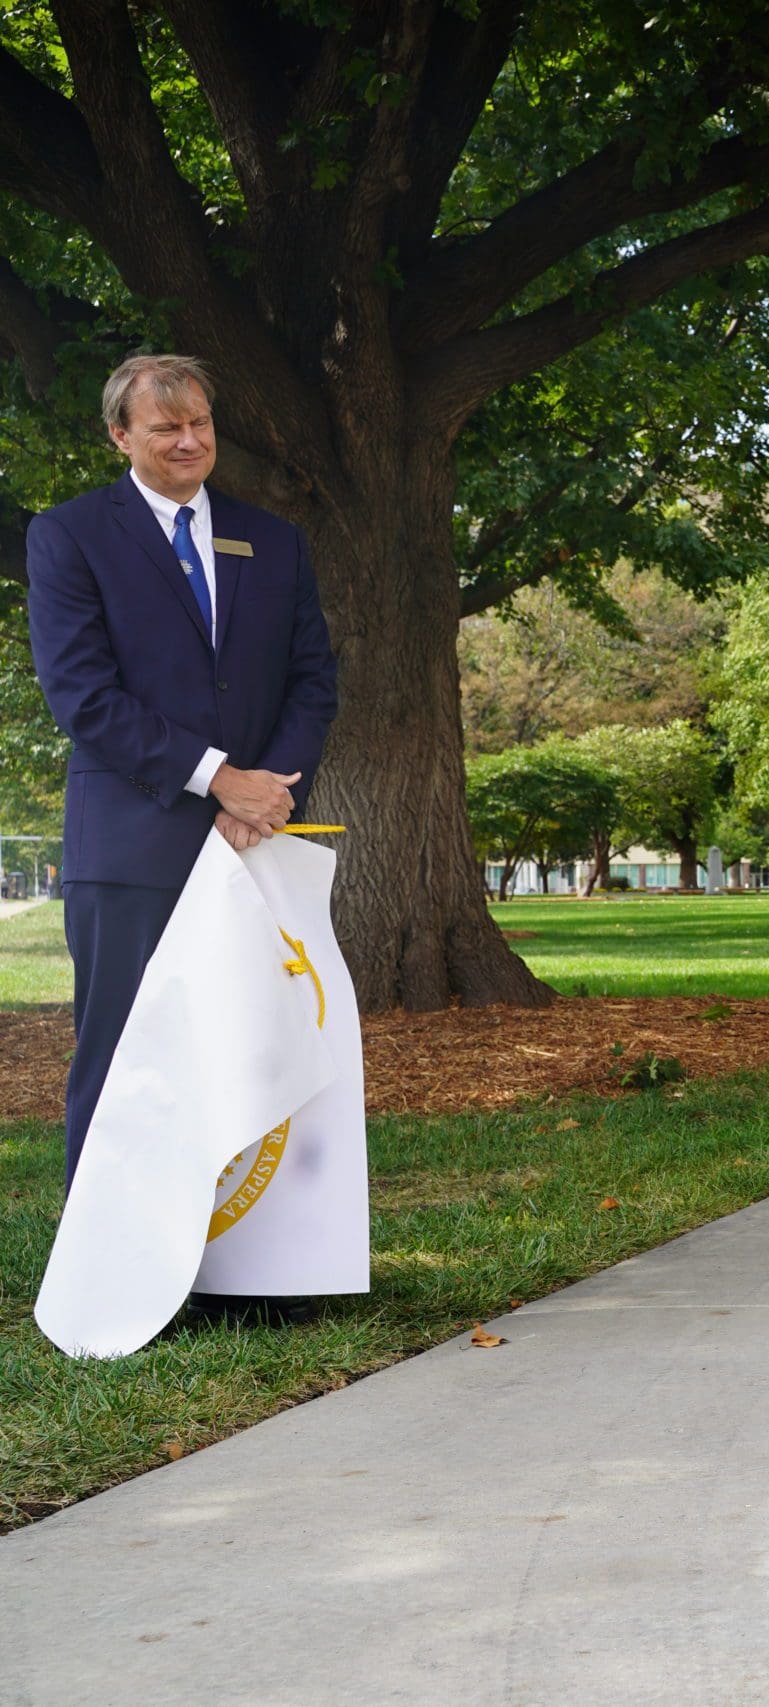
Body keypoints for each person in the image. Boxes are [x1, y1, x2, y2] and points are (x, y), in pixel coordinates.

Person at [25, 353, 339, 1301]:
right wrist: (220, 782)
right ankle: (113, 1282)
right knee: (124, 1056)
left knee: (255, 1046)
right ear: (120, 435)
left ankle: (249, 1275)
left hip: (258, 848)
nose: (190, 440)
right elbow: (84, 698)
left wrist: (269, 792)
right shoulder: (69, 536)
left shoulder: (273, 541)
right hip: (133, 849)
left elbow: (312, 678)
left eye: (199, 422)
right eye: (165, 428)